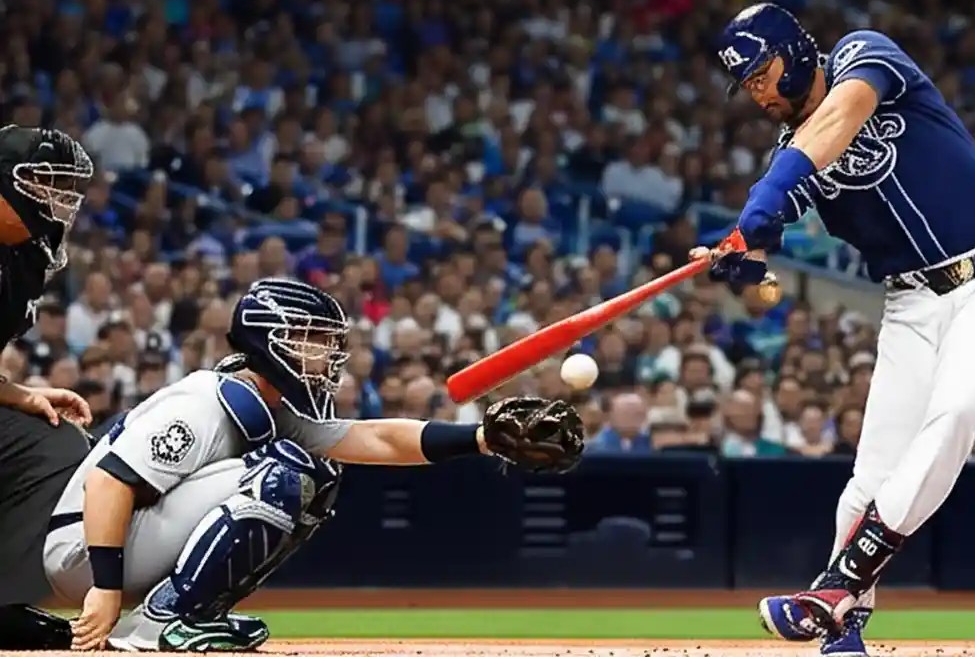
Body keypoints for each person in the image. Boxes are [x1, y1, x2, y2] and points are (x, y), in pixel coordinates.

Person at [699, 4, 975, 656]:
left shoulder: (866, 55)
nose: (757, 93)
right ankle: (843, 636)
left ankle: (838, 586)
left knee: (957, 413)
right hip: (911, 304)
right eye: (745, 85)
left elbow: (836, 121)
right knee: (870, 480)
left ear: (797, 51)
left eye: (762, 73)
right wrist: (746, 252)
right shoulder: (791, 157)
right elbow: (780, 212)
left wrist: (761, 204)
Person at [1, 278, 584, 652]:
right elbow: (109, 482)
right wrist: (103, 589)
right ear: (270, 340)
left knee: (315, 472)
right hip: (83, 551)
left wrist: (481, 437)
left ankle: (189, 613)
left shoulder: (271, 404)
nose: (326, 353)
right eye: (309, 339)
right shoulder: (205, 399)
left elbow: (375, 440)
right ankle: (161, 625)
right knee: (287, 471)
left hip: (124, 542)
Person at [0, 126, 100, 649]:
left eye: (66, 188)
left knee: (53, 441)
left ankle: (1, 602)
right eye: (45, 184)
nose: (60, 200)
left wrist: (17, 393)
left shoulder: (24, 254)